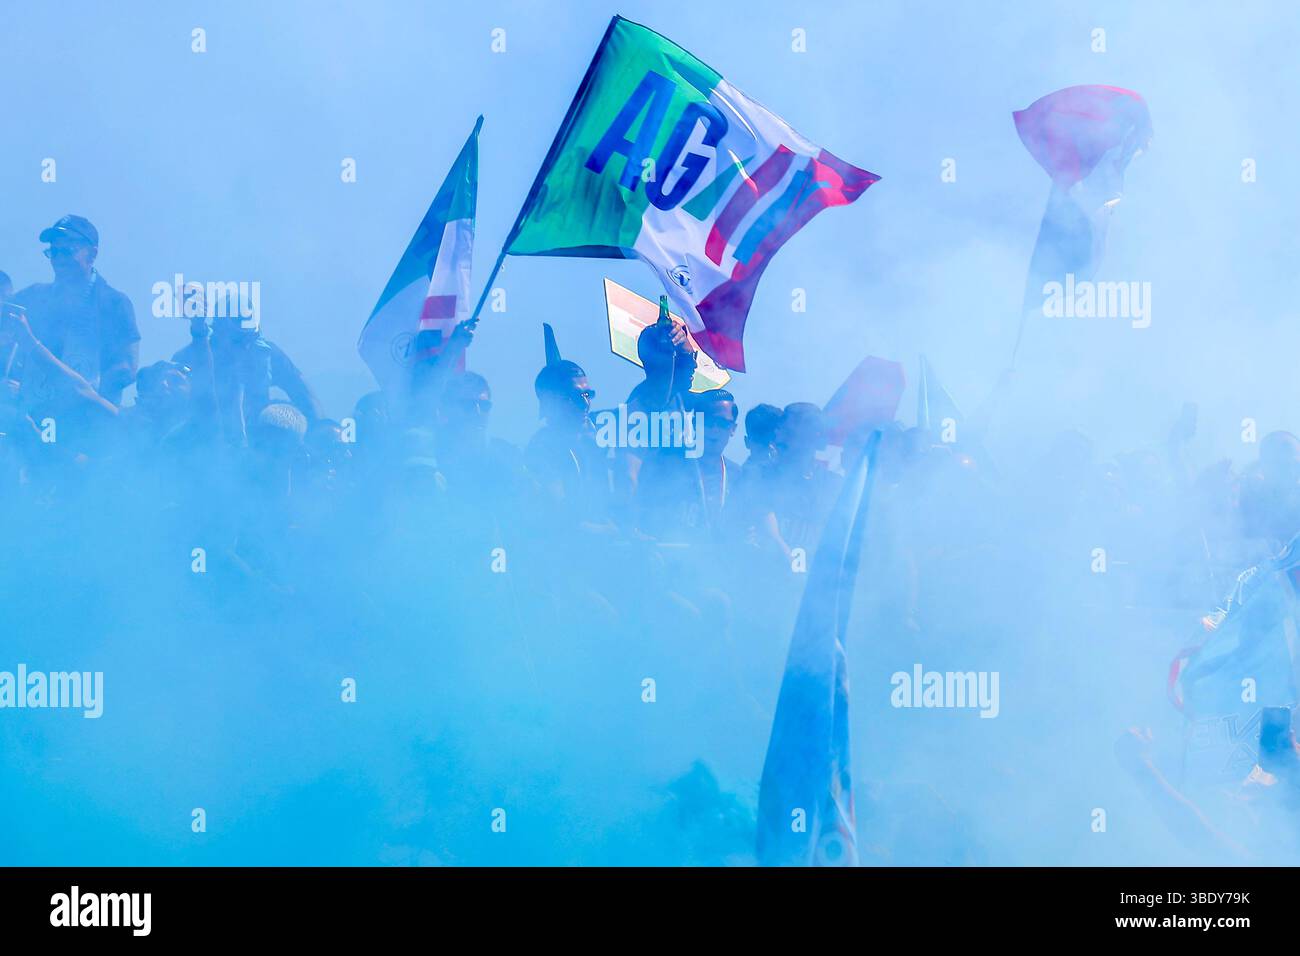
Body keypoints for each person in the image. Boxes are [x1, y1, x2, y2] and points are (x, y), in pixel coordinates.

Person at [10, 215, 139, 406]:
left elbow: (127, 368)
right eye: (54, 252)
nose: (59, 258)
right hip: (30, 419)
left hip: (87, 426)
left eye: (68, 250)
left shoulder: (114, 302)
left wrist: (89, 399)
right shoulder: (32, 296)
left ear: (92, 254)